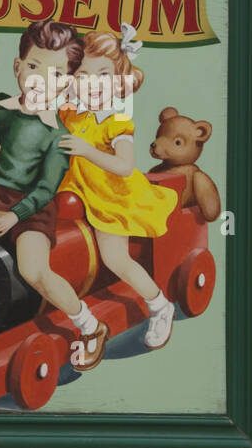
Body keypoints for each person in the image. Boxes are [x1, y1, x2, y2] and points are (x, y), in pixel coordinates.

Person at [0, 18, 111, 370]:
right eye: (34, 66)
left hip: (30, 208)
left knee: (33, 270)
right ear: (18, 67)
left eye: (56, 74)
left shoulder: (57, 137)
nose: (42, 79)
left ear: (68, 83)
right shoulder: (2, 108)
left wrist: (17, 215)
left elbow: (46, 189)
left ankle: (90, 326)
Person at [58, 24, 178, 349]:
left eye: (104, 75)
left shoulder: (116, 122)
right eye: (83, 75)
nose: (94, 84)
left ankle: (160, 305)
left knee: (115, 258)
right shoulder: (70, 111)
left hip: (110, 197)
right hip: (74, 191)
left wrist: (87, 151)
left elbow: (124, 167)